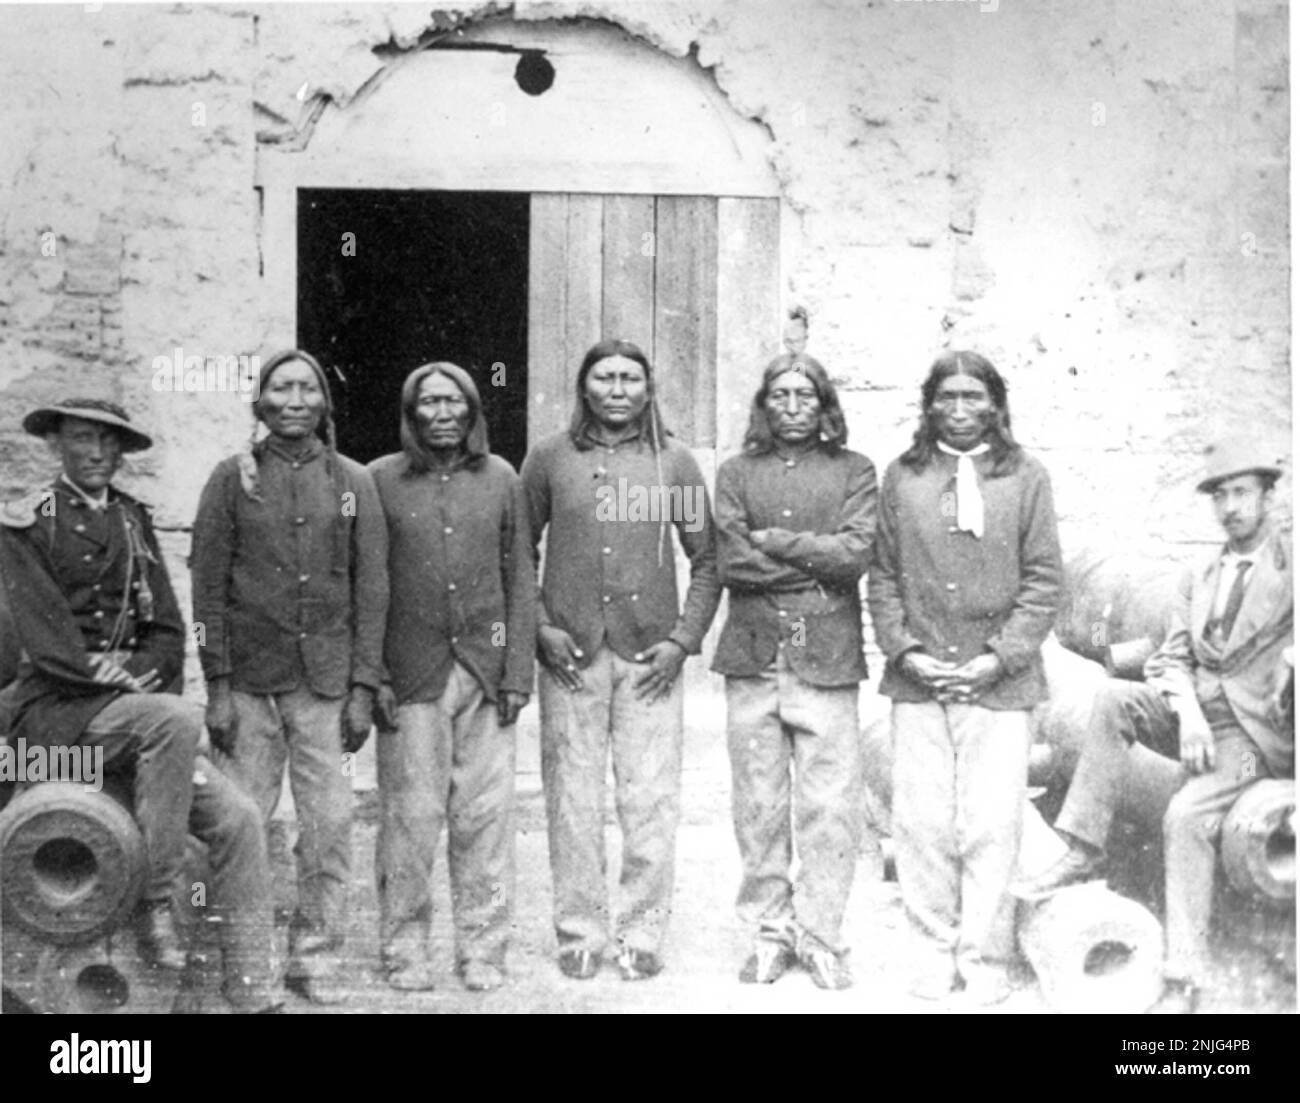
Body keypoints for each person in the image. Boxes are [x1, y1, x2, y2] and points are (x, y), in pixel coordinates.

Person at [0, 398, 279, 1010]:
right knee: (176, 718)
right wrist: (125, 683)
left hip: (135, 718)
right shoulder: (29, 522)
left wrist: (140, 673)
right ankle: (156, 902)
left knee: (240, 820)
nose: (97, 453)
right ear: (57, 445)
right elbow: (49, 646)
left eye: (109, 442)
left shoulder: (132, 519)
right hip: (57, 721)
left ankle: (254, 987)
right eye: (82, 439)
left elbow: (170, 635)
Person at [1012, 439, 1293, 1013]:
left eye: (1243, 493)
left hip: (1257, 744)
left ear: (1267, 496)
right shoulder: (1202, 574)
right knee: (1115, 697)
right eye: (1222, 496)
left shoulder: (1290, 573)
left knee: (1186, 815)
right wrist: (1186, 710)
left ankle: (1185, 976)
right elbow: (1169, 657)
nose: (1232, 506)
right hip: (1203, 719)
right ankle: (1083, 845)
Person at [190, 349, 388, 1005]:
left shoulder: (354, 480)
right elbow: (207, 588)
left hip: (324, 689)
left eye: (308, 387)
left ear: (324, 403)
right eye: (281, 387)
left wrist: (362, 687)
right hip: (248, 684)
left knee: (329, 825)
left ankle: (315, 956)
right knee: (244, 825)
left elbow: (372, 588)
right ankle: (247, 963)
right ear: (262, 402)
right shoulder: (230, 480)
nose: (295, 398)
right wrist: (217, 685)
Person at [521, 338, 721, 981]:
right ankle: (579, 931)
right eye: (603, 378)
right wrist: (540, 627)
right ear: (584, 388)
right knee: (572, 799)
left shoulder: (674, 464)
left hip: (647, 657)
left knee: (649, 799)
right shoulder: (550, 459)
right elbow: (516, 552)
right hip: (570, 657)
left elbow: (708, 560)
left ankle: (640, 931)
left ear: (648, 388)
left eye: (629, 378)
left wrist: (682, 641)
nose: (616, 389)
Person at [867, 351, 1063, 1005]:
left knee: (990, 824)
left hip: (999, 683)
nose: (958, 408)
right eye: (946, 396)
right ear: (929, 406)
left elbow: (1042, 580)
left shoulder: (1026, 477)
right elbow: (884, 576)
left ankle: (984, 959)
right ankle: (929, 954)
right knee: (922, 824)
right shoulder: (904, 476)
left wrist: (998, 656)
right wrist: (904, 650)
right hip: (920, 679)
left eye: (972, 396)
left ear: (994, 404)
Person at [368, 362, 534, 994]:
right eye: (429, 404)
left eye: (454, 403)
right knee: (410, 820)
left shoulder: (501, 479)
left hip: (485, 675)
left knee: (484, 820)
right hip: (411, 675)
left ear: (472, 413)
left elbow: (521, 574)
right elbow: (368, 580)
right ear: (411, 415)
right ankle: (404, 949)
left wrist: (517, 667)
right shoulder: (380, 479)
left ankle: (483, 950)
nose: (442, 414)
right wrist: (373, 672)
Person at [712, 353, 876, 990]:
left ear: (824, 404)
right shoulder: (735, 473)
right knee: (758, 802)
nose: (791, 406)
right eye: (779, 395)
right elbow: (732, 564)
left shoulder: (854, 471)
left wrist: (775, 541)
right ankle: (768, 935)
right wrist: (814, 563)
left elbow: (855, 554)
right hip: (753, 655)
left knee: (830, 806)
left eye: (805, 395)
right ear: (764, 404)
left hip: (826, 657)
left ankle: (823, 936)